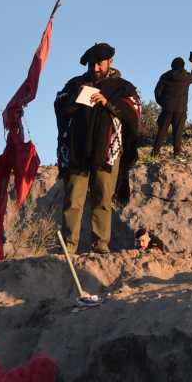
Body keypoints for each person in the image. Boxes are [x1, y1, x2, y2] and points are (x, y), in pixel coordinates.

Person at [54, 42, 141, 254]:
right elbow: (59, 103)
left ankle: (100, 244)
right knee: (73, 199)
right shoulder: (75, 83)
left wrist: (107, 102)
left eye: (99, 64)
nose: (95, 69)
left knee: (103, 198)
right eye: (91, 65)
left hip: (107, 151)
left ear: (110, 61)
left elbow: (134, 111)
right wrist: (77, 97)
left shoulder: (123, 86)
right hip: (77, 152)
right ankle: (68, 247)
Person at [152, 52, 192, 157]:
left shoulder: (165, 76)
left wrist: (163, 103)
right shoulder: (186, 77)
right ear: (183, 65)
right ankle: (177, 154)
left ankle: (155, 153)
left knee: (161, 131)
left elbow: (157, 92)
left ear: (172, 65)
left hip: (167, 108)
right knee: (178, 133)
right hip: (181, 109)